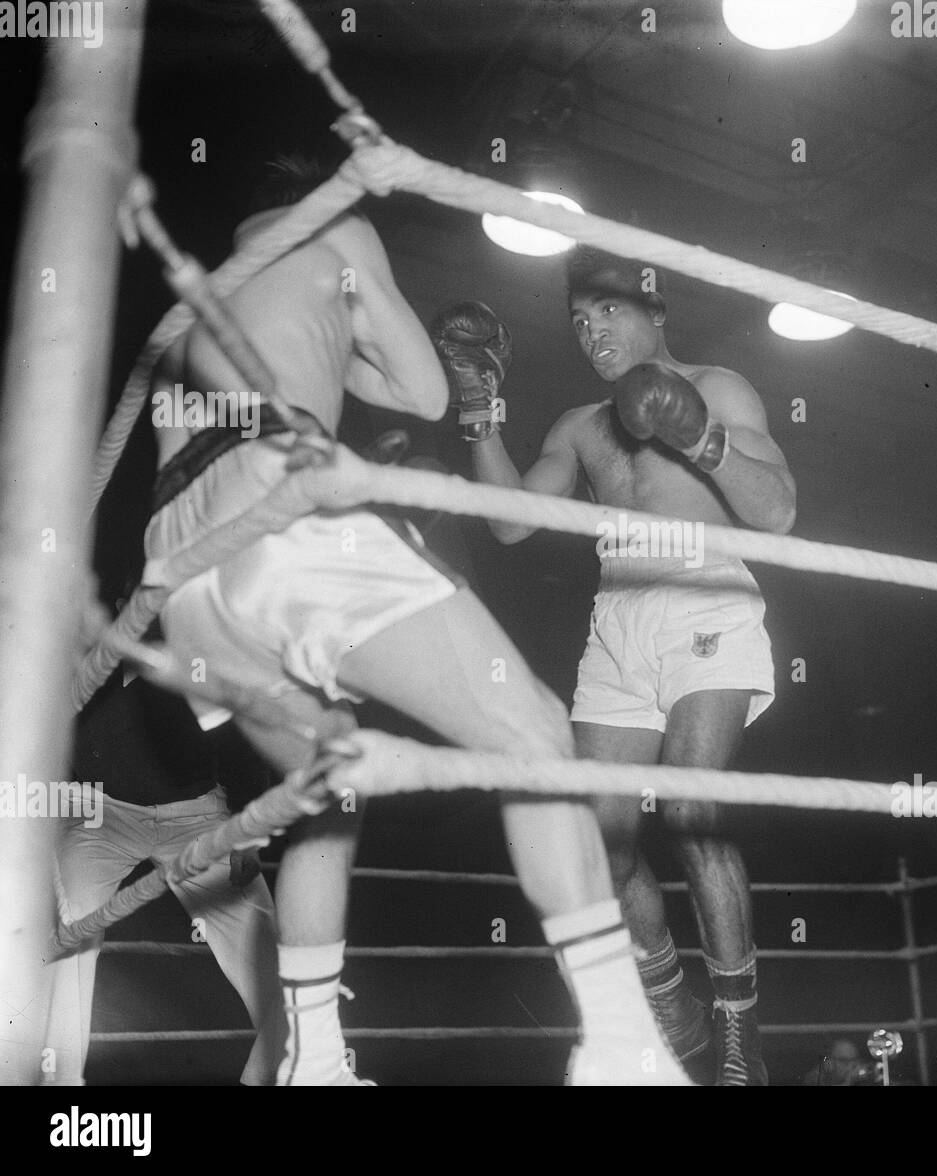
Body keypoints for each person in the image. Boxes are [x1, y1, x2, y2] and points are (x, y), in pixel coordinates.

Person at [142, 146, 687, 1085]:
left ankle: (311, 1060)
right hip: (288, 513)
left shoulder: (195, 294)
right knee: (535, 736)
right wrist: (399, 359)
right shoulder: (338, 230)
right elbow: (424, 393)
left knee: (333, 786)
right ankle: (619, 1043)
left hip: (185, 582)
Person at [449, 246, 796, 1085]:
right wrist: (479, 421)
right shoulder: (577, 424)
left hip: (706, 597)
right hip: (617, 620)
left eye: (606, 312)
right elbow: (509, 524)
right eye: (578, 321)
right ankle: (670, 997)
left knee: (691, 817)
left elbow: (780, 512)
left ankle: (741, 1027)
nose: (590, 331)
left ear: (654, 308)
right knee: (598, 843)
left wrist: (700, 437)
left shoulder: (721, 386)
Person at [43, 672, 283, 1086]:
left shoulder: (190, 633)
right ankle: (60, 1087)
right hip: (101, 810)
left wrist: (248, 829)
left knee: (268, 952)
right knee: (73, 919)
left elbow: (241, 736)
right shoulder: (79, 634)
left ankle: (274, 1077)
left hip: (197, 813)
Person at [801, 1038, 875, 1086]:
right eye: (845, 1061)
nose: (852, 1065)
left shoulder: (862, 1078)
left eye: (854, 1060)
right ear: (829, 1062)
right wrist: (849, 1082)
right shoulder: (814, 1078)